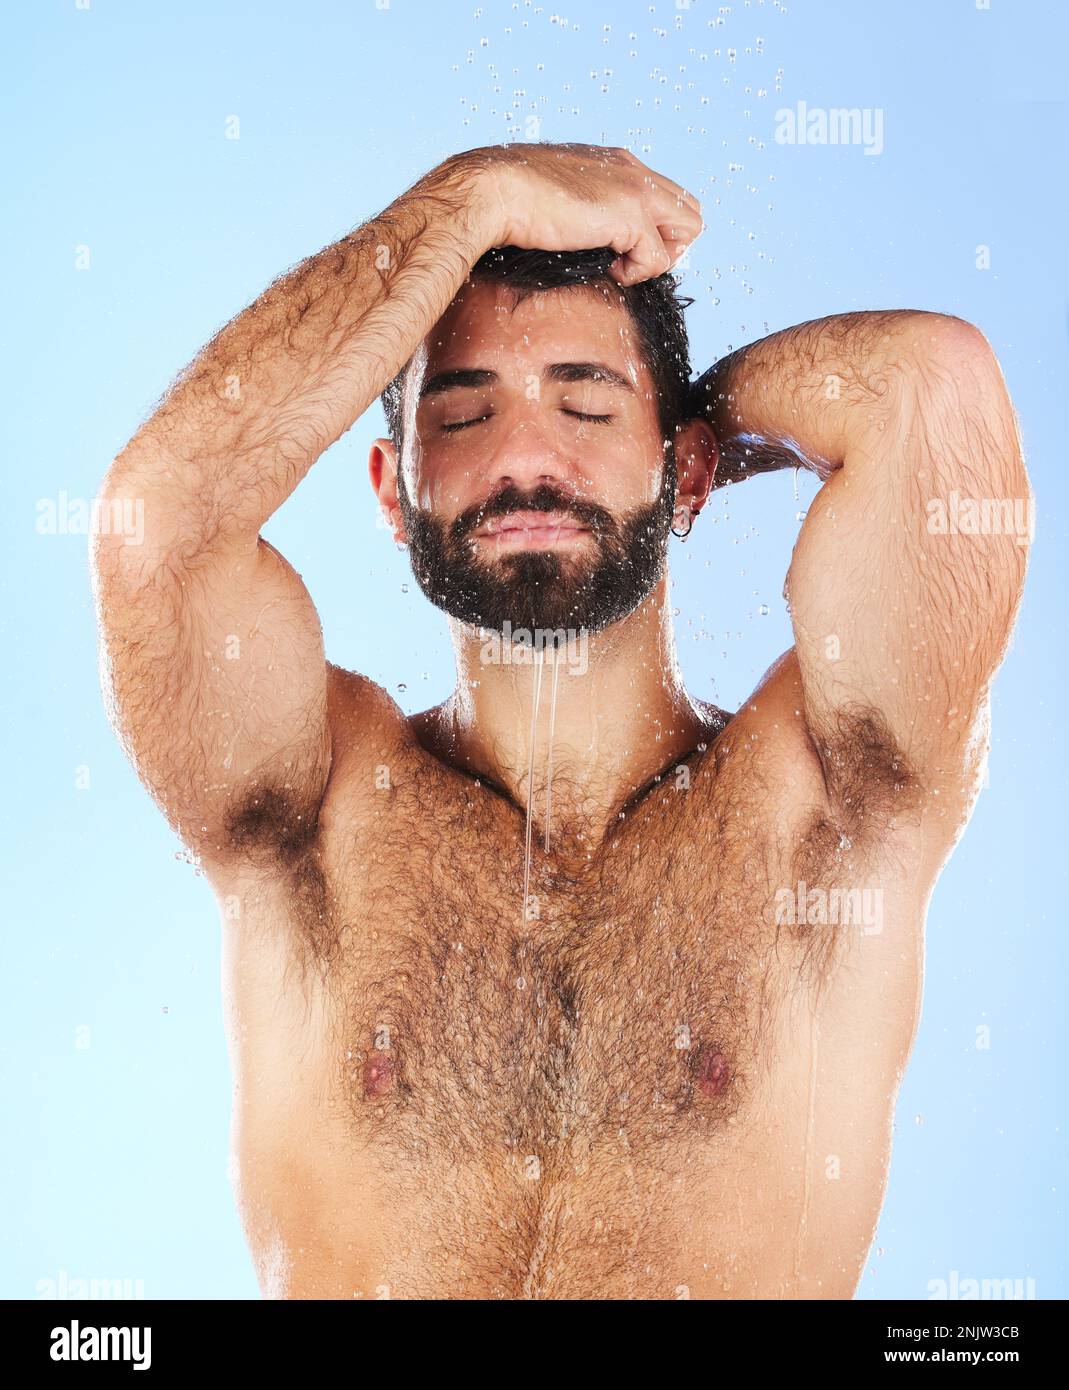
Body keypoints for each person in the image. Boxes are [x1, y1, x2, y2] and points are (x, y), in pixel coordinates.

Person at [91, 143, 1029, 1299]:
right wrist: (469, 194)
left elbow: (930, 387)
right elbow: (156, 527)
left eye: (586, 404)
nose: (526, 458)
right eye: (464, 413)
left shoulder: (823, 802)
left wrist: (695, 425)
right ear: (392, 492)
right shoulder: (322, 810)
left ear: (688, 474)